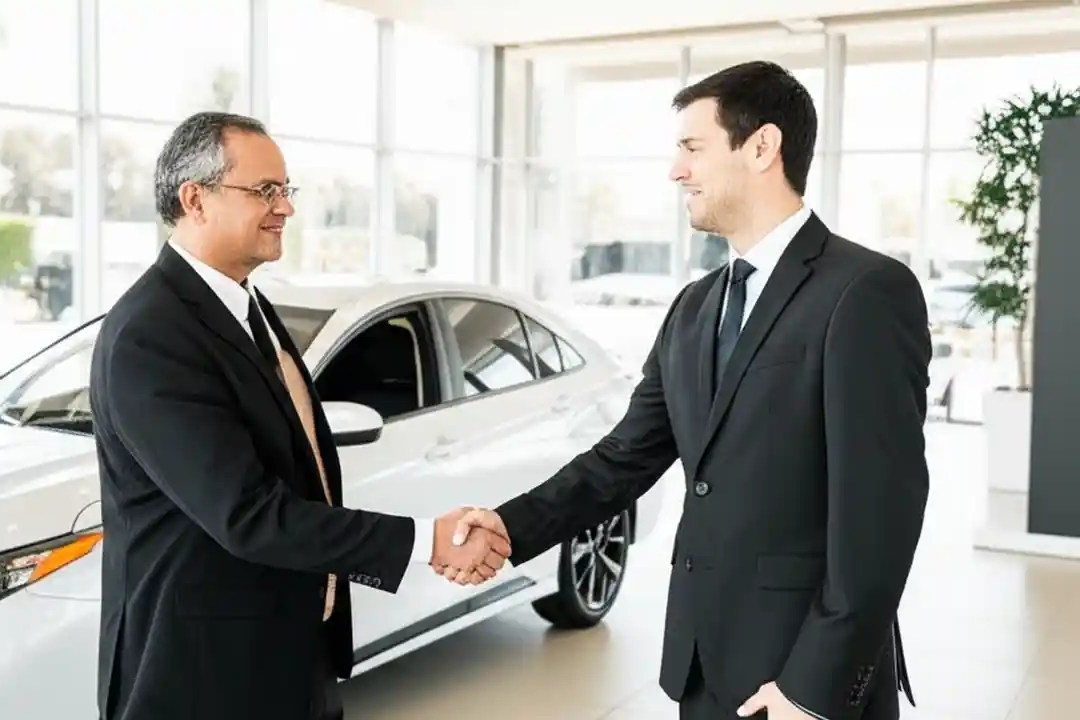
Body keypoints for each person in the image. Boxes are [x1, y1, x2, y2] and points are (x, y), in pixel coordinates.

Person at [444, 61, 930, 720]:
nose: (676, 171)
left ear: (762, 147)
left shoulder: (865, 292)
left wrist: (811, 690)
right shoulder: (694, 307)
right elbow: (625, 458)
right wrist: (508, 526)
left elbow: (880, 517)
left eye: (692, 148)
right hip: (704, 661)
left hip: (804, 678)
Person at [89, 112, 510, 720]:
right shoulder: (151, 333)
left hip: (285, 656)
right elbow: (248, 514)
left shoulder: (247, 304)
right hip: (201, 677)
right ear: (195, 199)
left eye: (286, 190)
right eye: (264, 190)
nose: (285, 207)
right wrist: (426, 539)